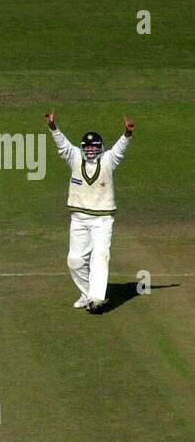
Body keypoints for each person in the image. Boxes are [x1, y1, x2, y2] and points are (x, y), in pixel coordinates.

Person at [45, 109, 134, 313]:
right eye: (88, 146)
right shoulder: (75, 157)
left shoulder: (109, 160)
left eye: (95, 146)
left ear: (101, 147)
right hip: (78, 219)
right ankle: (87, 294)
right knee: (75, 260)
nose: (91, 149)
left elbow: (119, 150)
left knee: (100, 255)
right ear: (83, 148)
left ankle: (96, 298)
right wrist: (53, 127)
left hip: (102, 220)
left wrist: (127, 134)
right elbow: (63, 146)